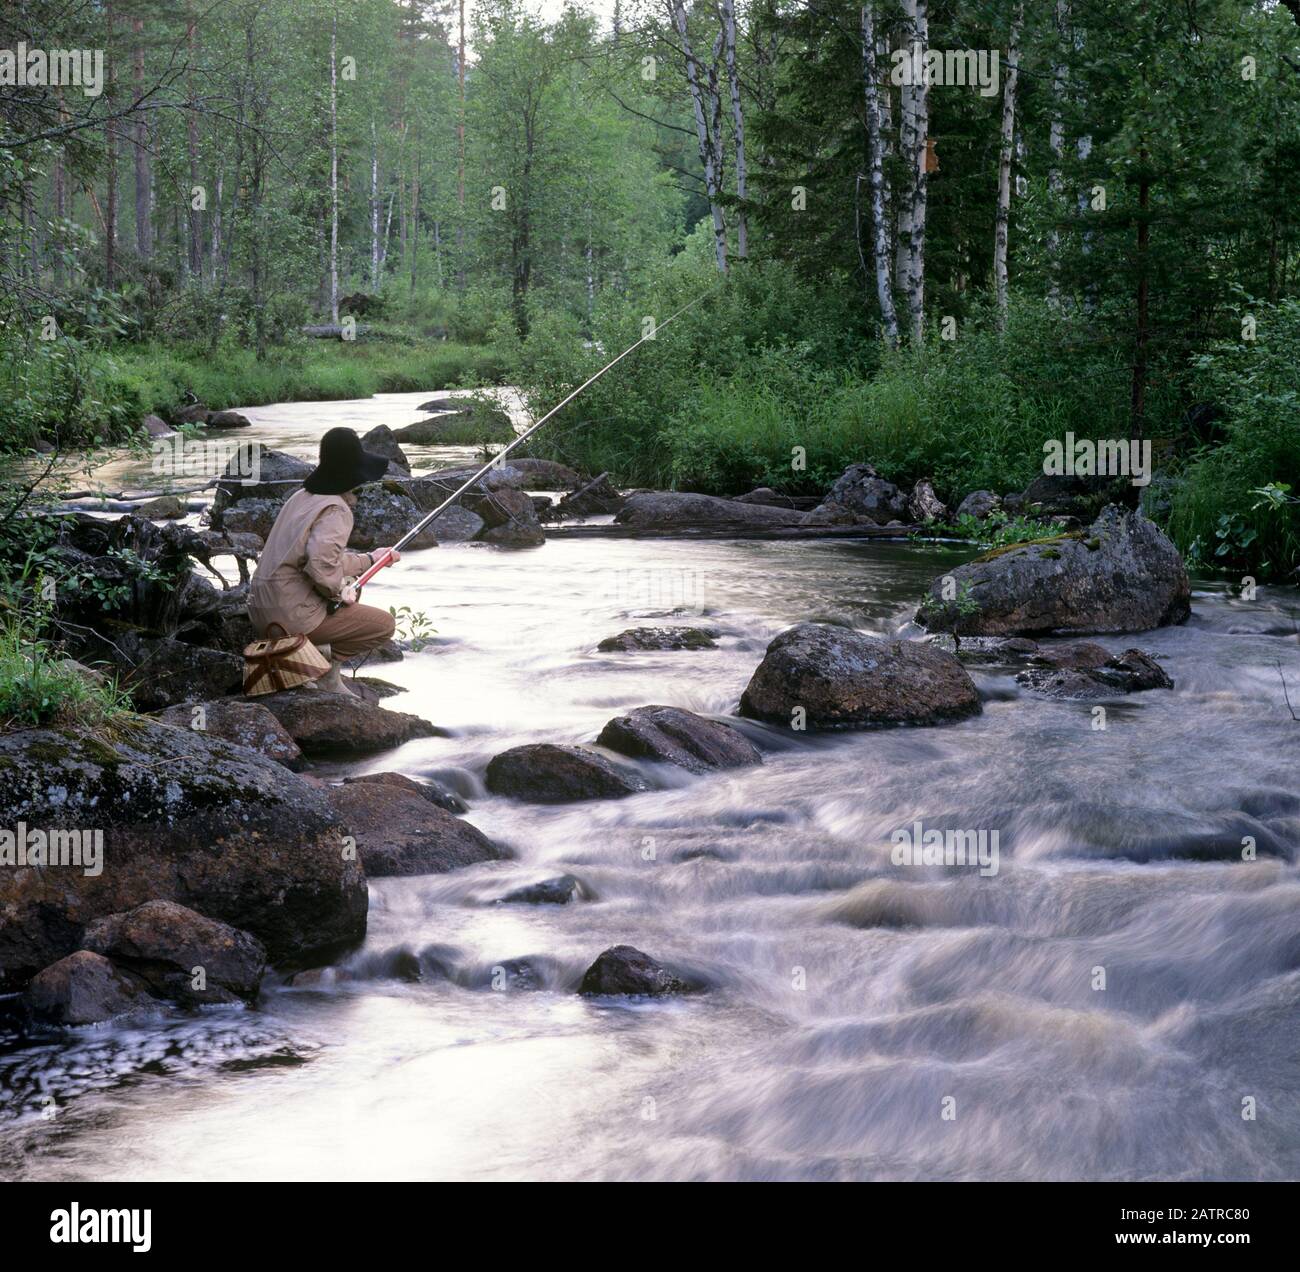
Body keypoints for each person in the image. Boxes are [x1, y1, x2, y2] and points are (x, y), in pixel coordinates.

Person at [248, 427, 402, 694]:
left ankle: (318, 665)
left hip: (261, 612)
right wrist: (339, 594)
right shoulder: (336, 508)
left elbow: (317, 559)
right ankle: (321, 669)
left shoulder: (302, 497)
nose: (358, 494)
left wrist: (371, 559)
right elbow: (320, 566)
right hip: (292, 619)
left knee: (349, 584)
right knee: (383, 625)